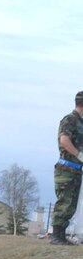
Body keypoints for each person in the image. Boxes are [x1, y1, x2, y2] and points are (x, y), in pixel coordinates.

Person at [50, 91, 83, 244]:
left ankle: (61, 236)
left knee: (71, 204)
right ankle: (56, 236)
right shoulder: (70, 120)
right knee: (64, 202)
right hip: (66, 169)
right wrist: (79, 154)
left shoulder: (80, 123)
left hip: (76, 169)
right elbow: (64, 140)